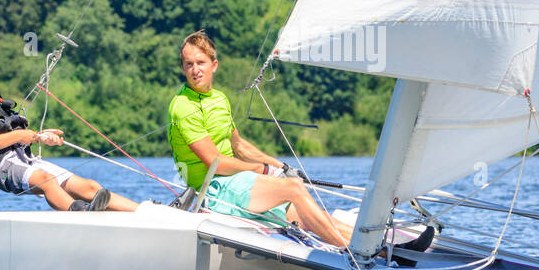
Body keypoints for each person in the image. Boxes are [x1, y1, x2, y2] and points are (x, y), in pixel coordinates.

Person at [167, 30, 432, 252]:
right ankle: (363, 252)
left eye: (200, 62)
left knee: (309, 215)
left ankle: (385, 248)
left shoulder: (219, 99)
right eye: (188, 64)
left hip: (237, 183)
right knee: (294, 188)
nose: (194, 70)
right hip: (214, 190)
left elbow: (239, 146)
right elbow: (215, 162)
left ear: (214, 65)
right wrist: (263, 170)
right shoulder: (183, 106)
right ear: (182, 68)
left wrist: (279, 166)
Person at [0, 43, 137, 212]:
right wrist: (21, 136)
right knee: (46, 181)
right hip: (0, 166)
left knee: (89, 187)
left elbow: (9, 127)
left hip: (22, 155)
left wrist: (40, 137)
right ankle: (80, 216)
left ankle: (145, 212)